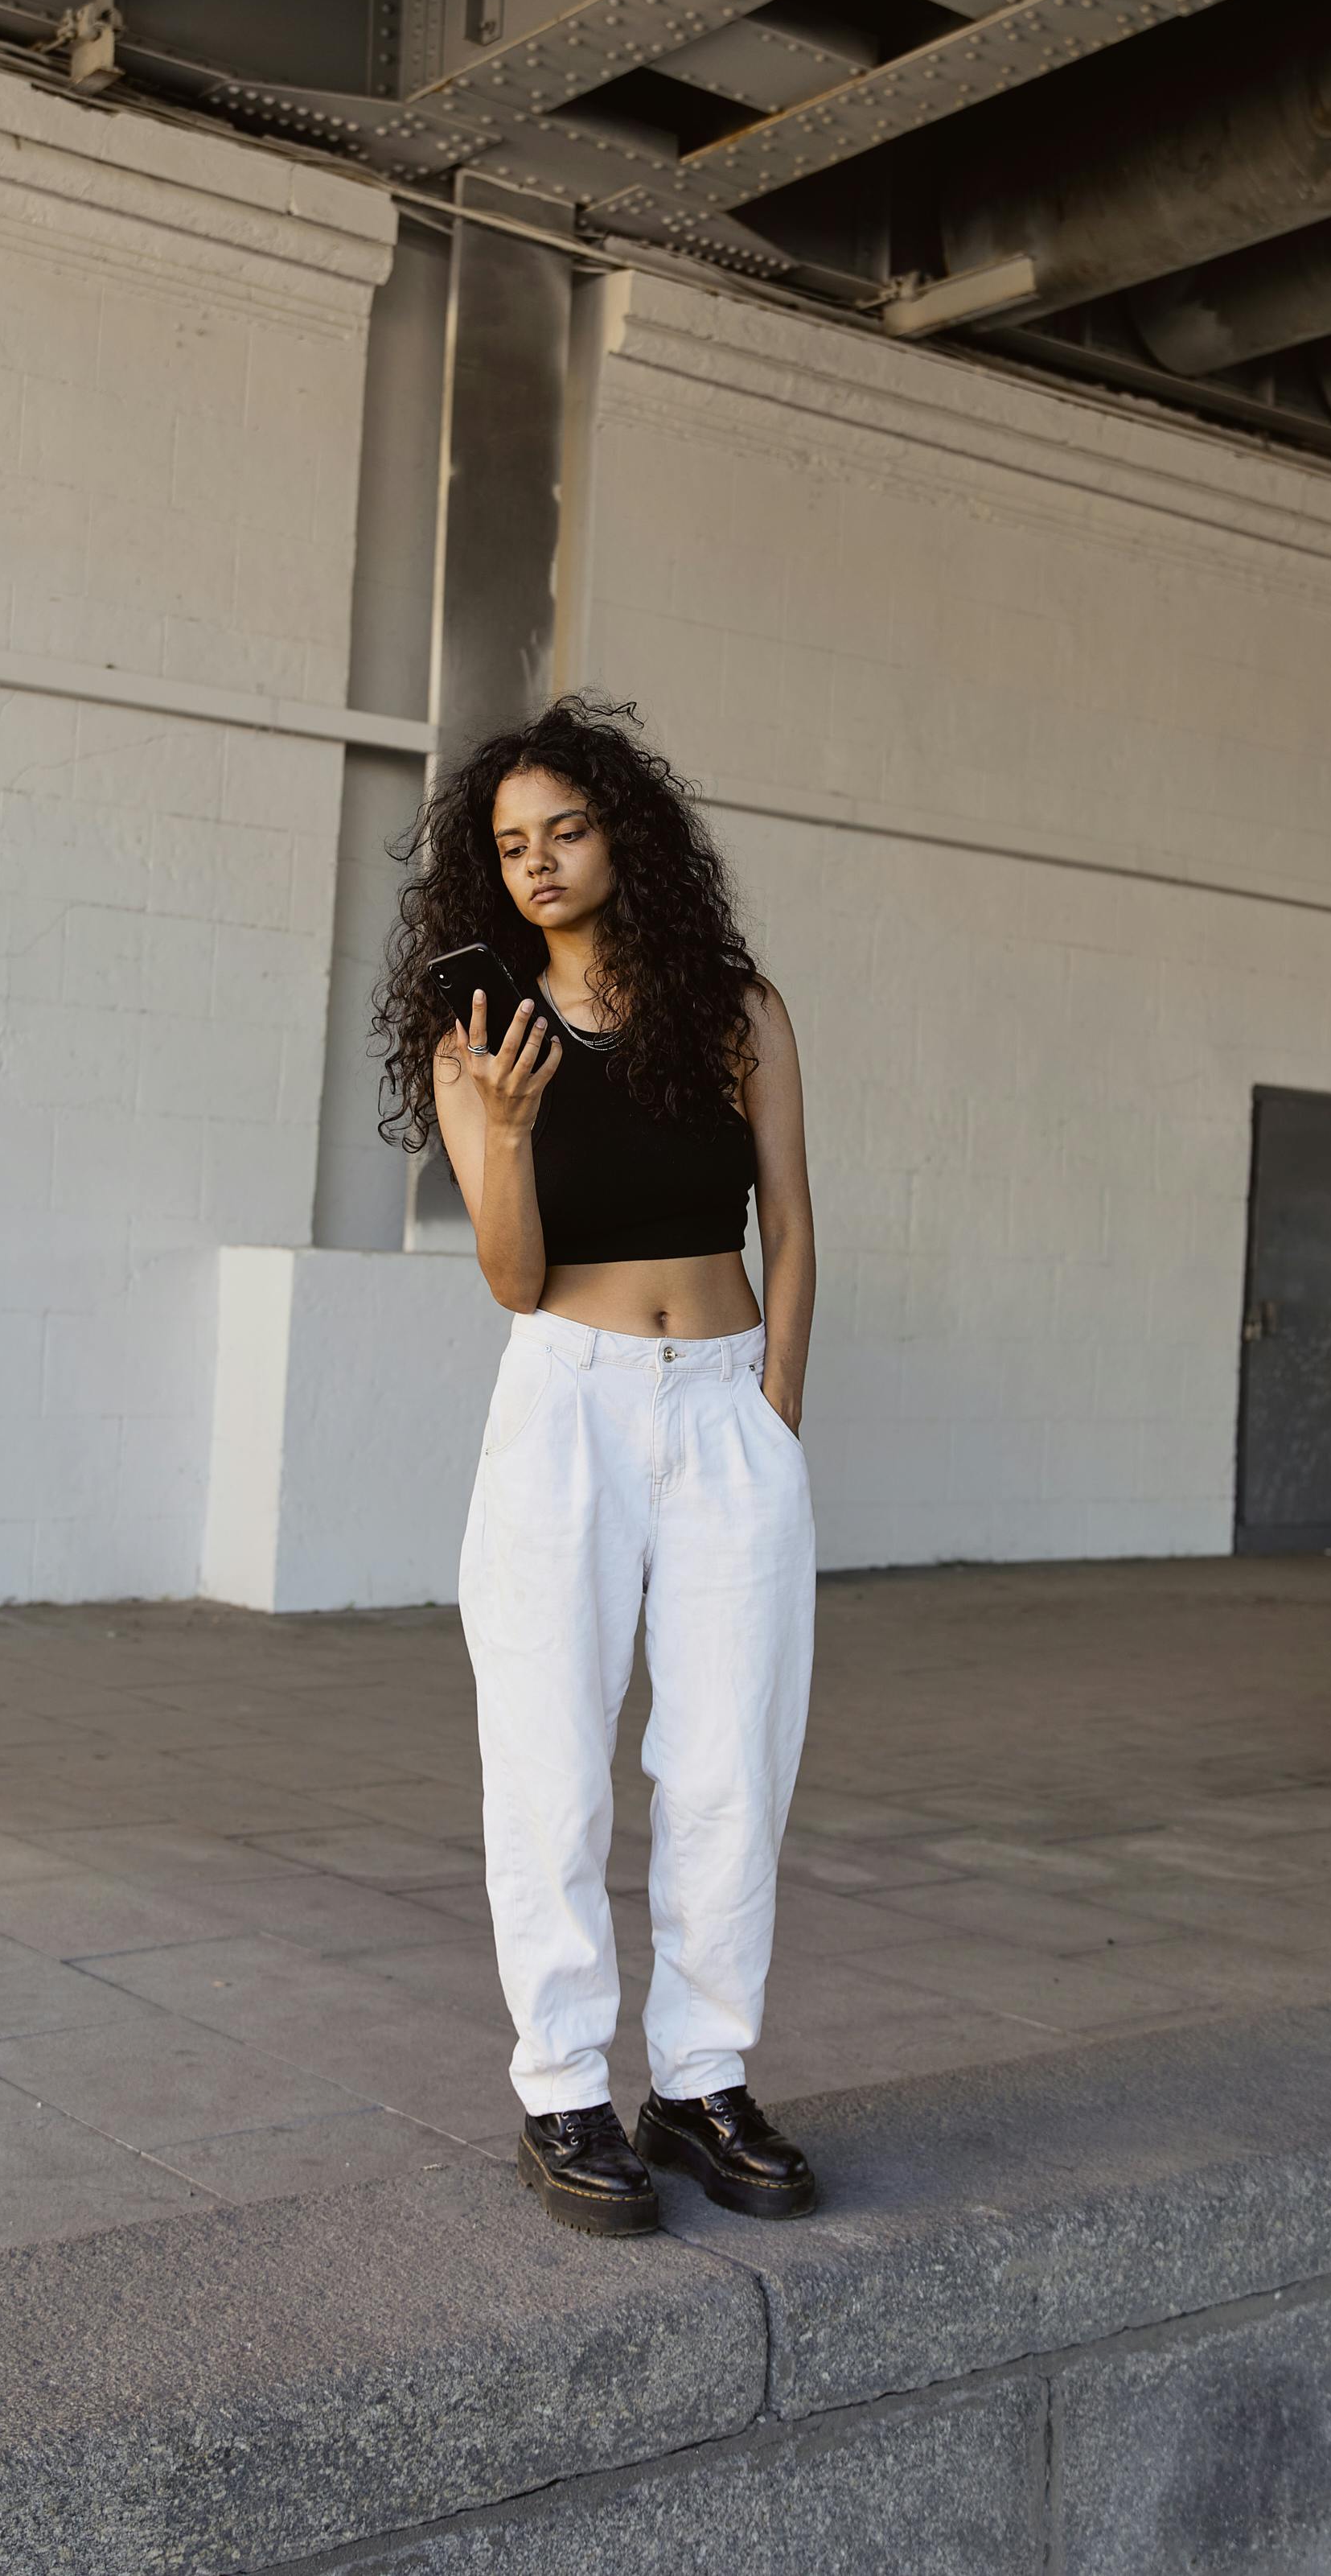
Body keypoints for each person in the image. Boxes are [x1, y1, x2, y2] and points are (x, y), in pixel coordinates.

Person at [376, 696, 818, 2237]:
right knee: (550, 1755)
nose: (540, 863)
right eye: (511, 846)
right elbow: (512, 1279)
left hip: (725, 1409)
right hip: (565, 1405)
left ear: (624, 834)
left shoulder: (735, 1011)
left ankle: (700, 2082)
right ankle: (563, 2087)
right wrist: (501, 1132)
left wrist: (774, 1406)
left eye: (564, 829)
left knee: (730, 1760)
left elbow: (791, 1226)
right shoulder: (480, 1040)